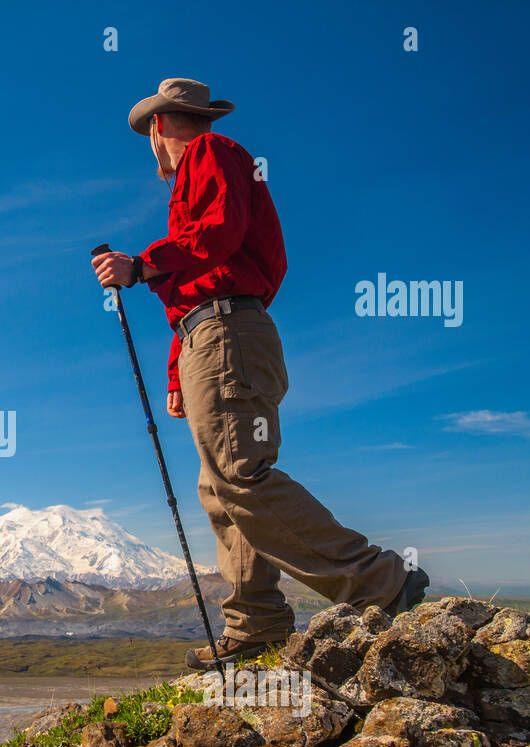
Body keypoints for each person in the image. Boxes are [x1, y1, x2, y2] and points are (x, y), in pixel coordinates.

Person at [91, 78, 428, 670]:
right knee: (218, 488)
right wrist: (177, 370)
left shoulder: (210, 153)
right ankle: (258, 623)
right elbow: (199, 285)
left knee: (240, 476)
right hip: (216, 334)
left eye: (149, 131)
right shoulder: (206, 168)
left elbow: (217, 239)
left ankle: (380, 581)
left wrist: (142, 265)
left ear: (158, 127)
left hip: (226, 336)